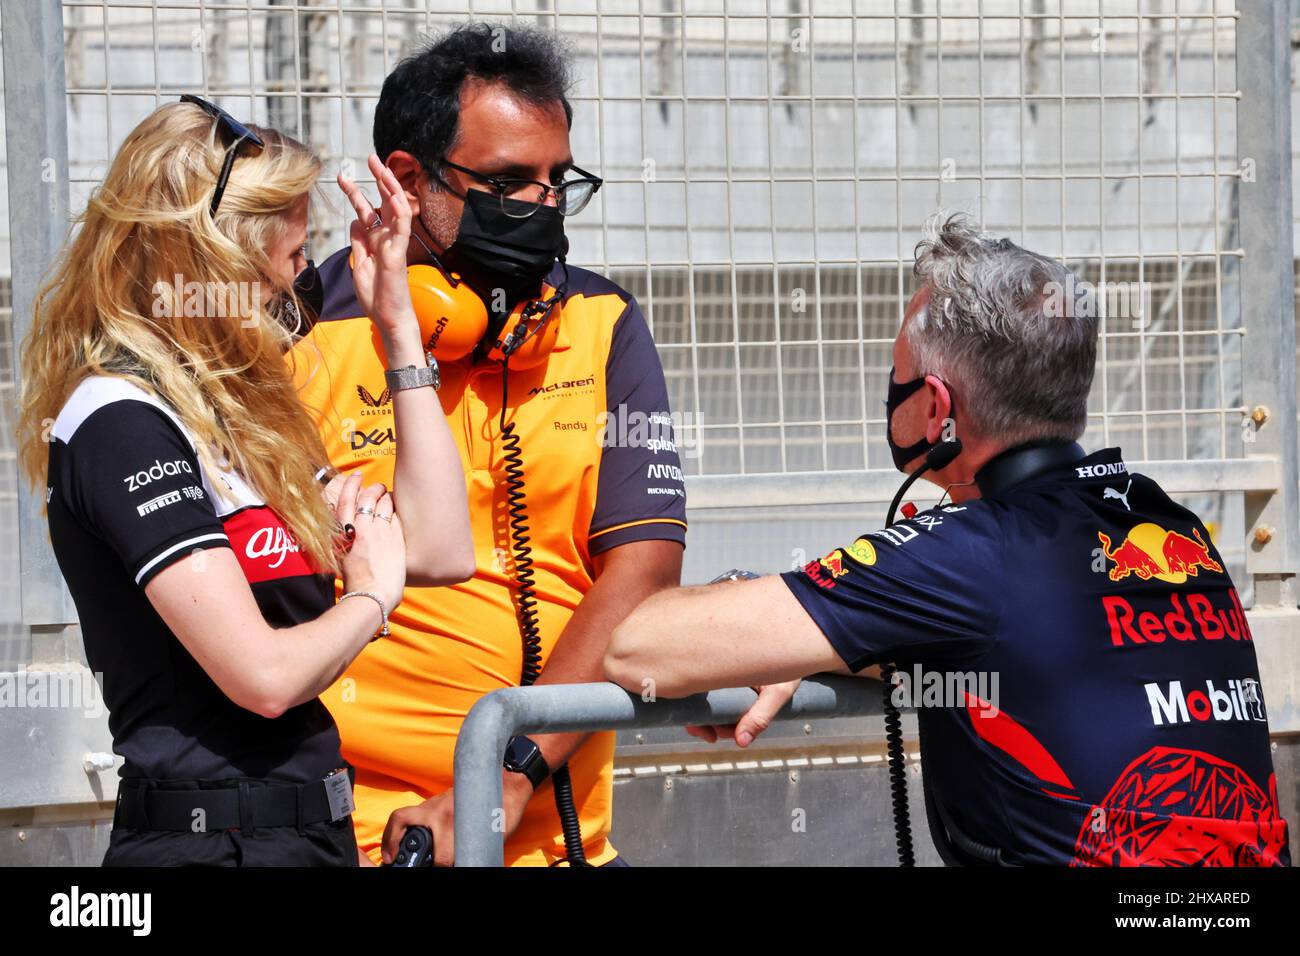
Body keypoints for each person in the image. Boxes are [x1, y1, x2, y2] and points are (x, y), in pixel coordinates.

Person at [605, 214, 1292, 867]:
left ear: (936, 407)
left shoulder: (967, 553)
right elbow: (1023, 663)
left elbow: (639, 646)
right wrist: (809, 642)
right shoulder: (1168, 526)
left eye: (897, 373)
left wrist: (743, 611)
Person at [17, 96, 473, 866]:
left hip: (306, 836)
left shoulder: (241, 415)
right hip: (207, 846)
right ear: (211, 266)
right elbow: (263, 676)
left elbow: (440, 546)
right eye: (291, 257)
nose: (305, 281)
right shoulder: (118, 417)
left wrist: (396, 327)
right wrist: (370, 594)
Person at [287, 22, 687, 866]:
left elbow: (643, 566)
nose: (542, 207)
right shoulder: (299, 328)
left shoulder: (602, 325)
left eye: (556, 182)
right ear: (406, 179)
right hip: (339, 840)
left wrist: (504, 781)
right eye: (508, 182)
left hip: (549, 834)